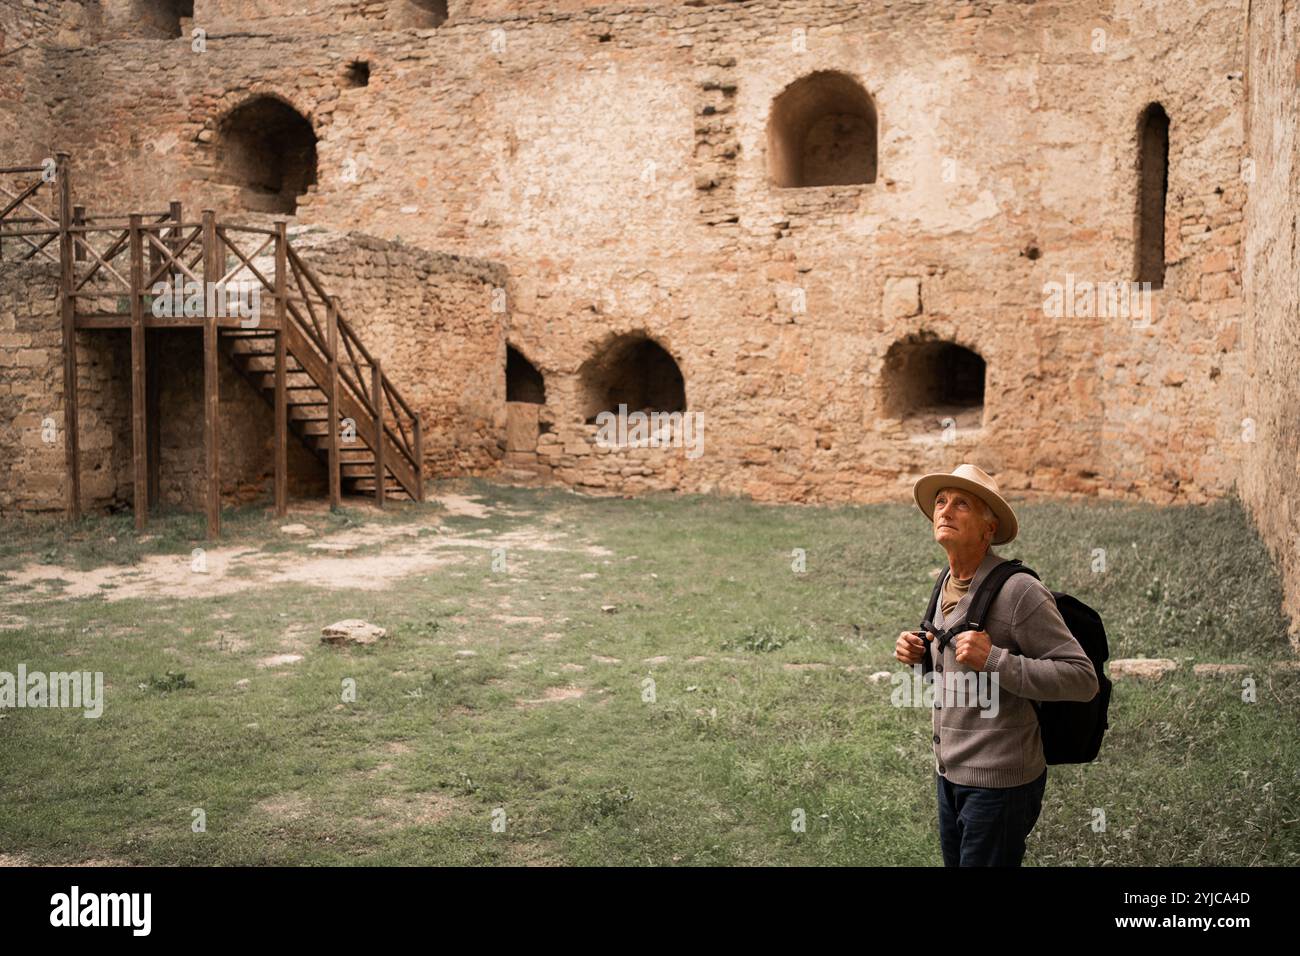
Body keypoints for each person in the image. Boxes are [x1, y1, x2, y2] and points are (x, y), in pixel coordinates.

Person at [894, 463, 1098, 866]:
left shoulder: (1020, 591)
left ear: (989, 529)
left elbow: (1082, 678)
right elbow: (956, 671)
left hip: (999, 783)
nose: (945, 511)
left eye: (961, 504)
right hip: (950, 774)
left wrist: (994, 659)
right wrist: (920, 656)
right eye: (940, 502)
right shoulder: (946, 582)